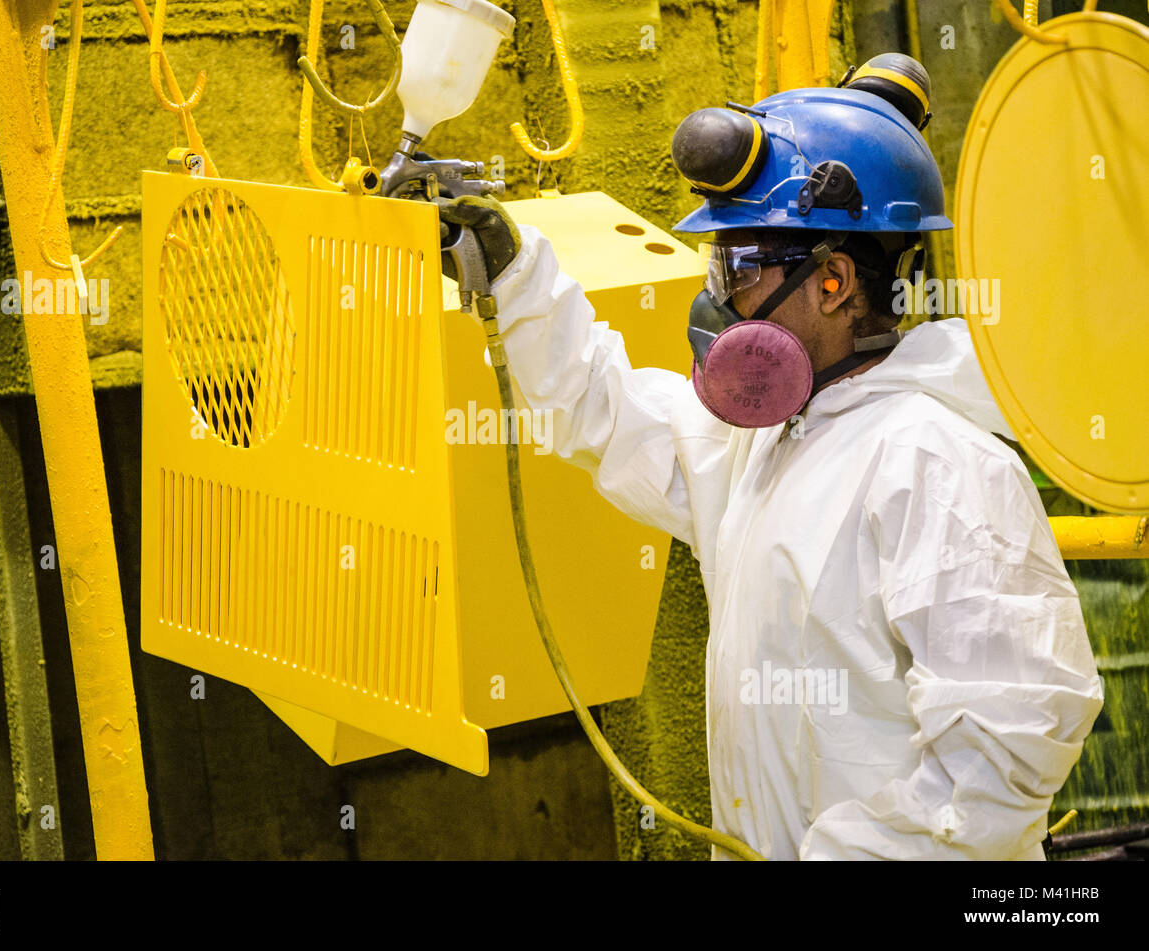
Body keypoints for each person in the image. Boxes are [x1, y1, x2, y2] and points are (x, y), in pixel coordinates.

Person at [436, 57, 1104, 860]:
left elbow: (1006, 743)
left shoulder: (937, 464)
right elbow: (606, 413)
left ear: (833, 282)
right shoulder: (765, 441)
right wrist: (515, 274)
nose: (717, 299)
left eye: (741, 266)